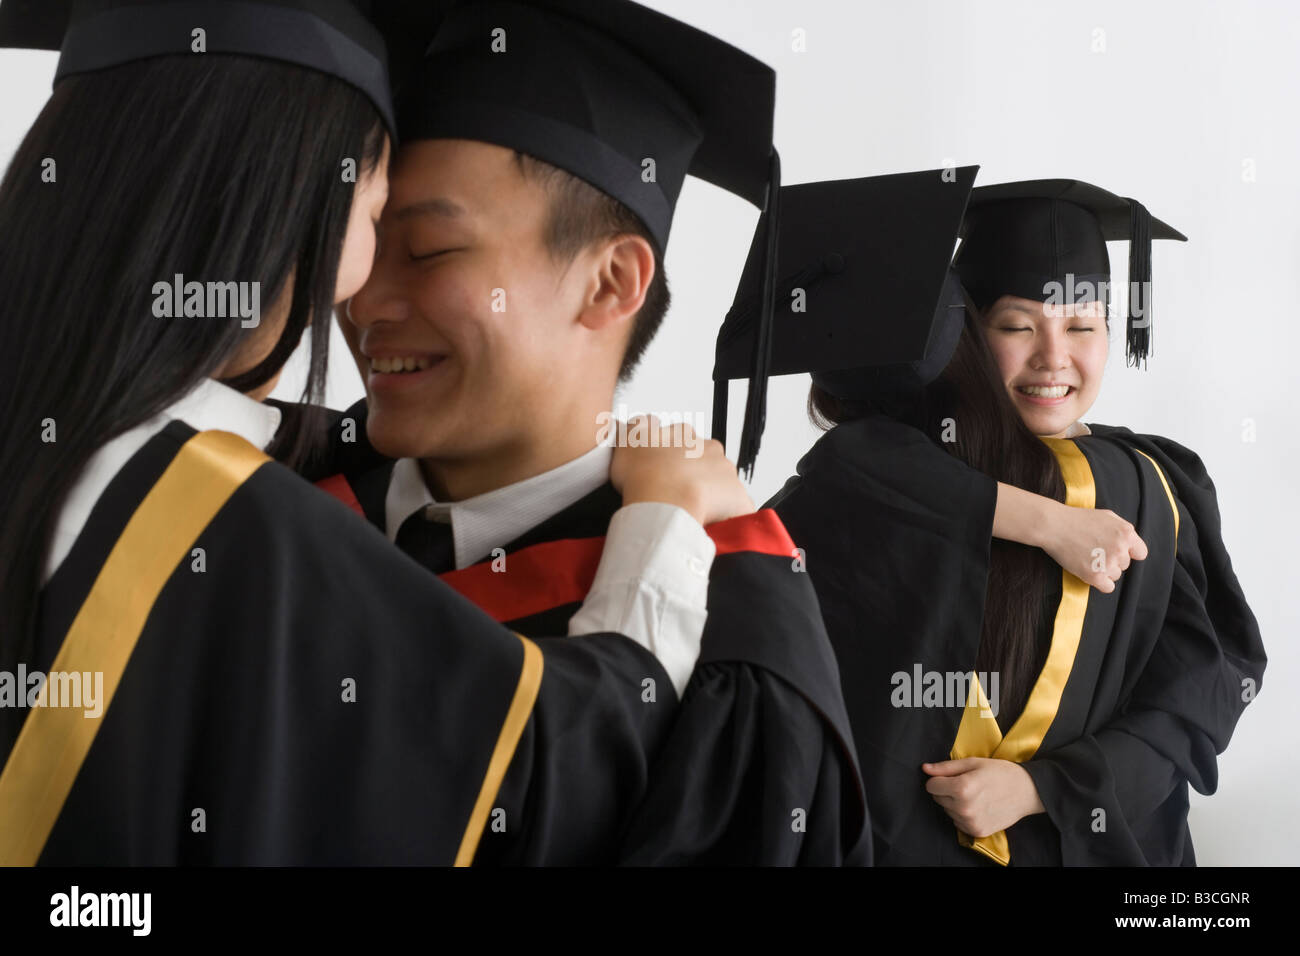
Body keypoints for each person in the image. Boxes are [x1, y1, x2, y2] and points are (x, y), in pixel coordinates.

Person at [0, 0, 755, 866]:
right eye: (370, 219)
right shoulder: (220, 521)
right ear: (271, 213)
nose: (358, 296)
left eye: (429, 248)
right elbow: (548, 779)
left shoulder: (69, 435)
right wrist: (667, 522)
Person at [311, 0, 870, 864]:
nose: (363, 300)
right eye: (365, 242)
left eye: (425, 253)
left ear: (611, 284)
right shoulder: (282, 489)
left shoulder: (742, 646)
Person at [716, 169, 1264, 864]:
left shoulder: (1157, 486)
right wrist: (1050, 524)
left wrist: (1042, 789)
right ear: (964, 336)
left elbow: (1193, 708)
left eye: (1081, 325)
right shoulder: (899, 470)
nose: (1053, 358)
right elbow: (844, 474)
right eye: (1016, 325)